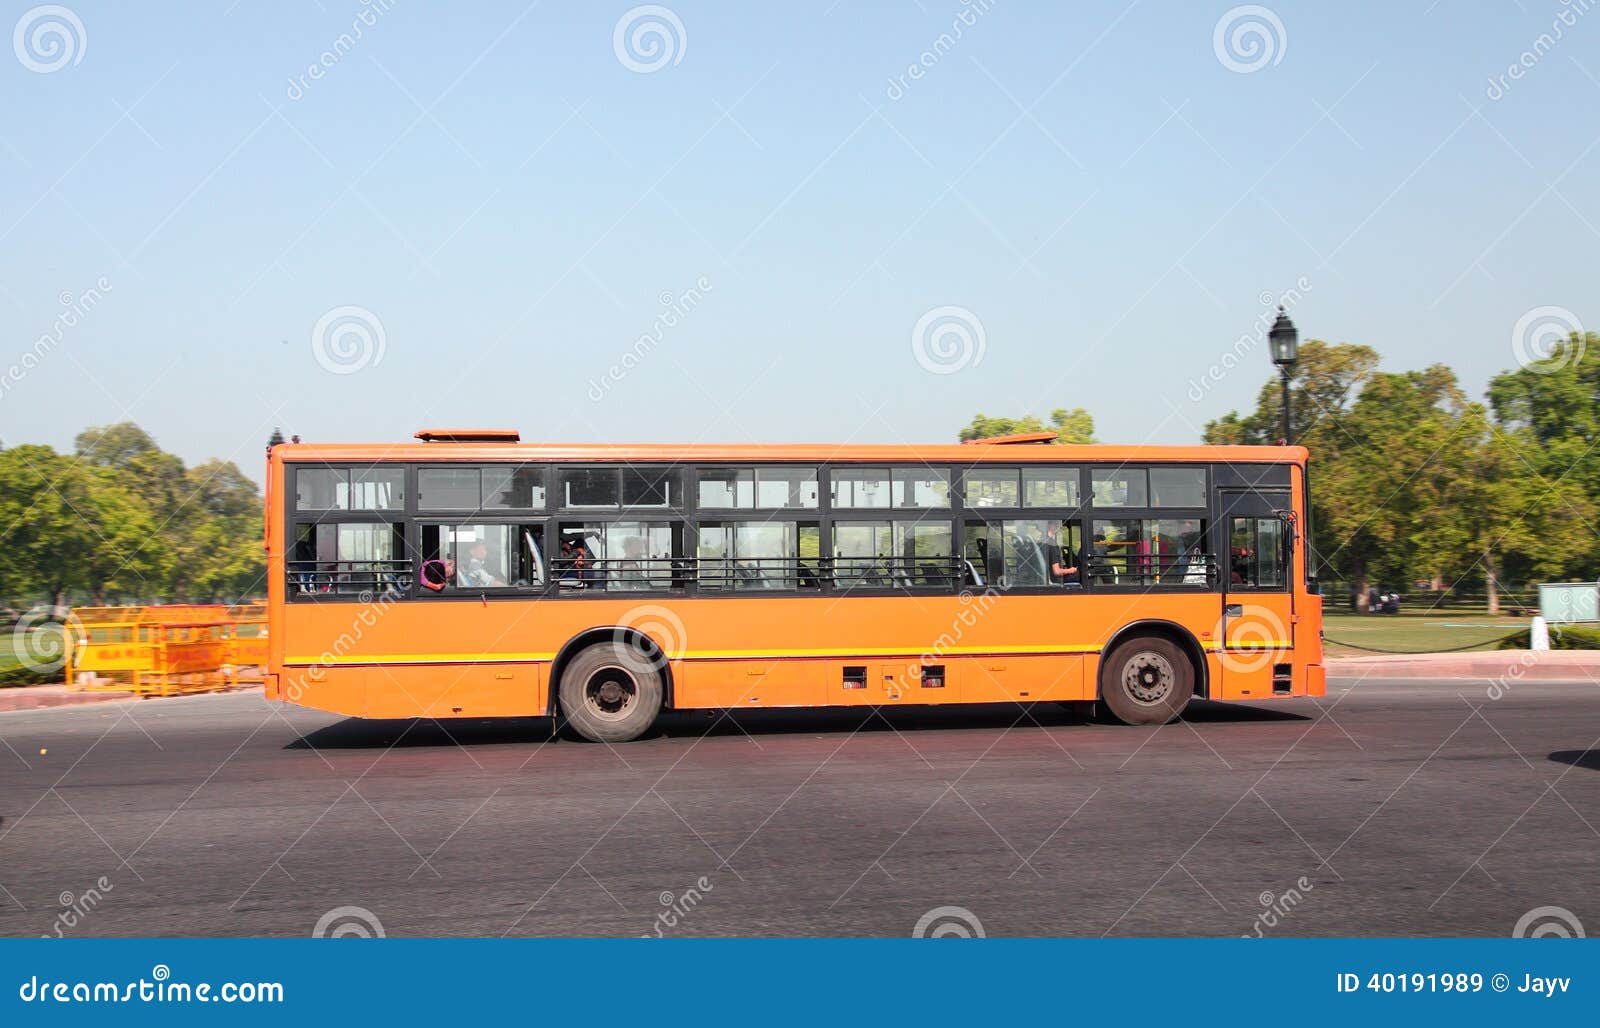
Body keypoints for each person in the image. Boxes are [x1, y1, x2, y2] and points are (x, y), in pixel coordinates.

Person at [1044, 520, 1078, 585]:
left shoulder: (1044, 542)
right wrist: (1070, 570)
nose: (1059, 527)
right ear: (1051, 526)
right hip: (1057, 583)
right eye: (1057, 525)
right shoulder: (1052, 545)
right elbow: (1056, 571)